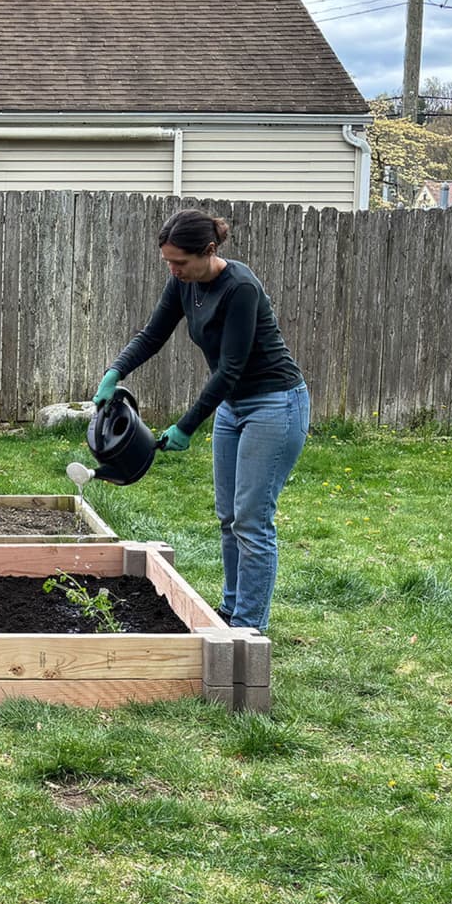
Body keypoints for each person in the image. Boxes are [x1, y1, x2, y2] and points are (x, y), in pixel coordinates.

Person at [92, 209, 308, 633]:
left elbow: (229, 369)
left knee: (252, 519)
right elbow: (152, 335)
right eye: (168, 262)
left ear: (209, 251)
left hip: (274, 405)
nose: (173, 269)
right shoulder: (183, 283)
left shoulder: (240, 288)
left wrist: (187, 426)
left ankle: (247, 628)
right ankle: (229, 611)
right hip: (232, 408)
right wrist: (115, 371)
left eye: (180, 262)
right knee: (229, 517)